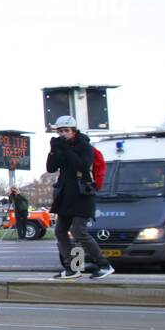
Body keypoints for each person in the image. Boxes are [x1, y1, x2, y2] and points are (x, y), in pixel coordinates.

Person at [47, 115, 115, 280]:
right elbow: (50, 168)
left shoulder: (84, 145)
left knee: (78, 230)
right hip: (66, 194)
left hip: (82, 194)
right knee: (60, 231)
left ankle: (104, 264)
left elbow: (82, 166)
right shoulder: (62, 146)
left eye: (66, 131)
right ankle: (72, 268)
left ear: (73, 130)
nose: (63, 134)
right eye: (60, 131)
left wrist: (66, 149)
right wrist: (53, 151)